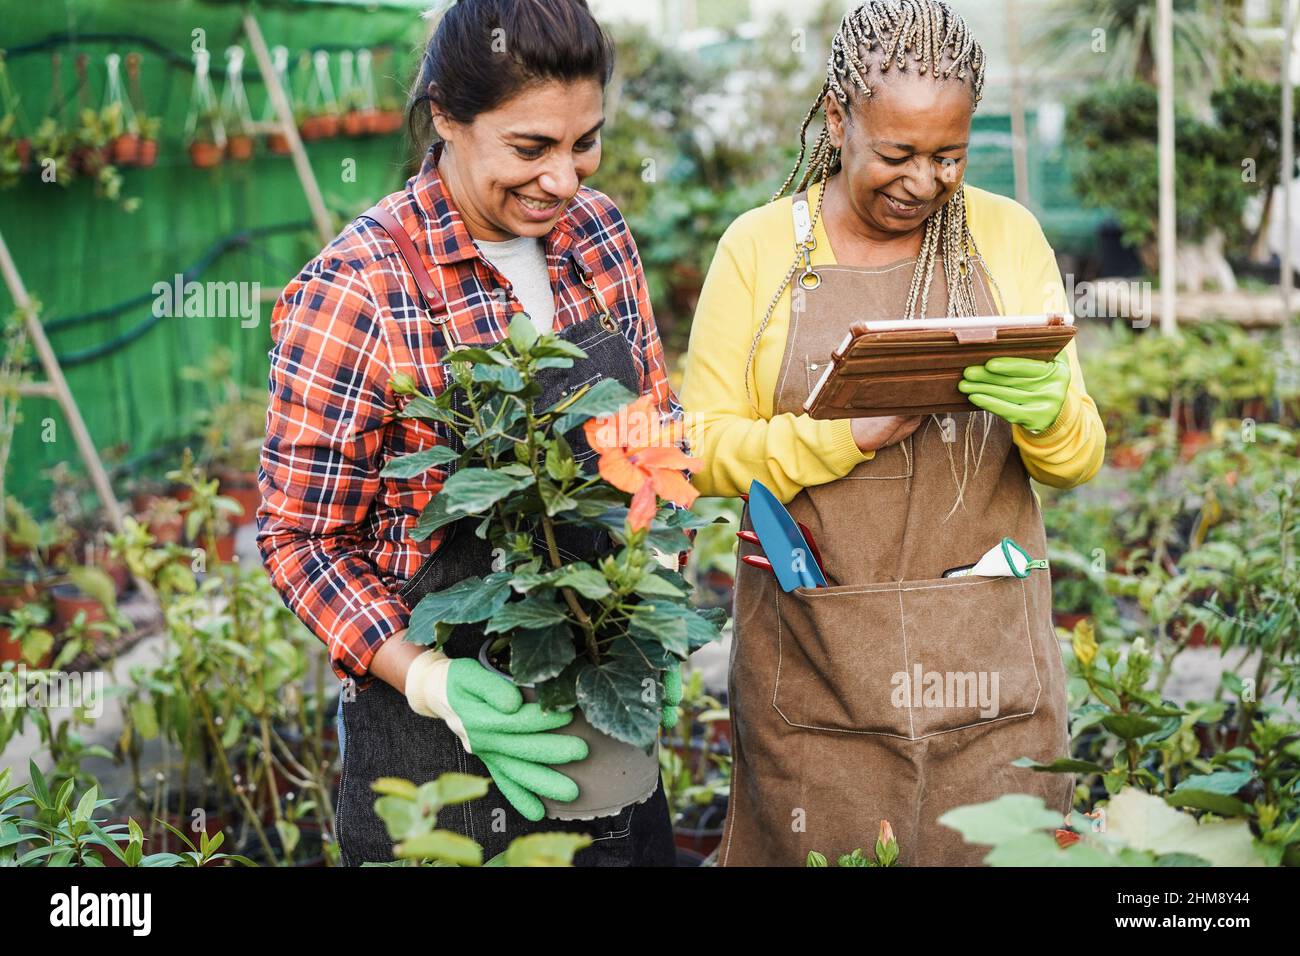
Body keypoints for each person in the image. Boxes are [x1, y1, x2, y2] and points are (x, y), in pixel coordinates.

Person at [679, 0, 1106, 866]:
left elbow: (1080, 457)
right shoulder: (761, 249)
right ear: (838, 121)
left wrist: (1047, 412)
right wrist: (843, 435)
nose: (926, 181)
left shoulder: (1007, 237)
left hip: (990, 679)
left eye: (949, 155)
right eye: (898, 154)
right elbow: (700, 449)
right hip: (817, 682)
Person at [257, 0, 678, 866]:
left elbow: (654, 432)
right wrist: (430, 679)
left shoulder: (597, 237)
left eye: (585, 141)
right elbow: (300, 539)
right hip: (431, 755)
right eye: (531, 148)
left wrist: (655, 594)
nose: (564, 179)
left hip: (597, 720)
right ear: (446, 114)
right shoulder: (360, 288)